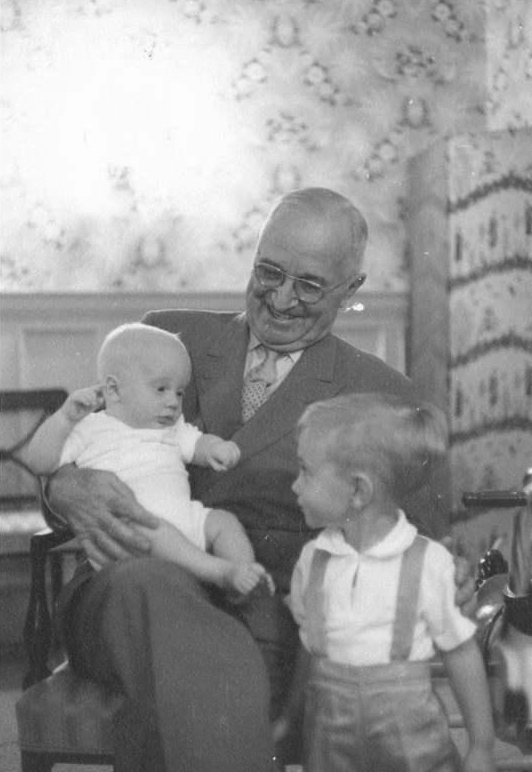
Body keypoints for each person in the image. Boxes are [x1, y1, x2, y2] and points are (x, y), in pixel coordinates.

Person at [45, 187, 475, 771]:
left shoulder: (382, 393)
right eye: (269, 271)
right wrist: (68, 489)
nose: (279, 297)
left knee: (210, 663)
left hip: (267, 606)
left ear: (350, 292)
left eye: (308, 285)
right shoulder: (166, 339)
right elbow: (73, 448)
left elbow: (415, 537)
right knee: (151, 585)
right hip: (122, 585)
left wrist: (454, 577)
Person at [277, 393, 495, 772]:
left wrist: (481, 745)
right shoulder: (313, 560)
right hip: (328, 741)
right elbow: (309, 652)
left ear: (358, 492)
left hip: (411, 742)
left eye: (305, 472)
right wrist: (290, 722)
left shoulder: (429, 564)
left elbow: (461, 654)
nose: (295, 485)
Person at [26, 323, 273, 597]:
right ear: (114, 390)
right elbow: (40, 463)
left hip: (184, 521)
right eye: (161, 389)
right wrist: (64, 419)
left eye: (179, 392)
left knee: (224, 522)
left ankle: (246, 577)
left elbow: (198, 445)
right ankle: (222, 573)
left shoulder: (172, 428)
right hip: (130, 536)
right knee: (156, 530)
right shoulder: (91, 427)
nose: (173, 402)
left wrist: (217, 448)